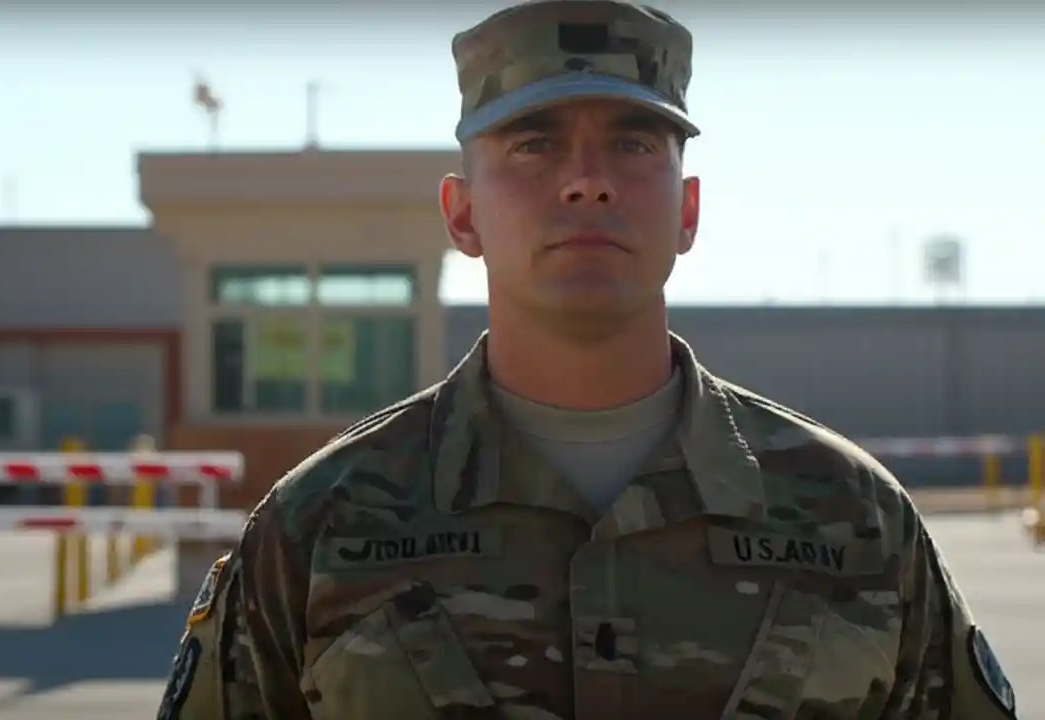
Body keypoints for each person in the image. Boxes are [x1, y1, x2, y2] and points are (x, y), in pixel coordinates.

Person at [156, 1, 1017, 718]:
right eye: (533, 143)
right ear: (461, 215)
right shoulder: (321, 528)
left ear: (687, 211)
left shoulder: (856, 520)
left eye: (634, 143)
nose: (588, 181)